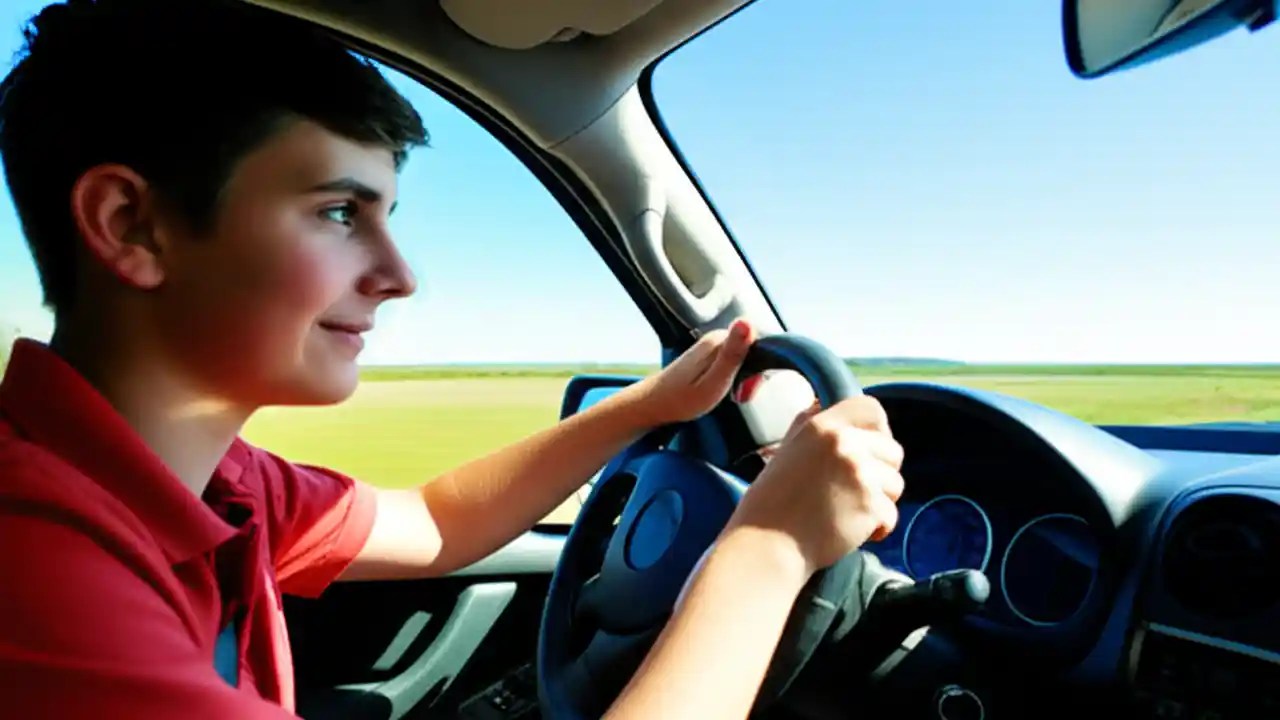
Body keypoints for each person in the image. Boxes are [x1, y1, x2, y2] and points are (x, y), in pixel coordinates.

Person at [0, 1, 904, 718]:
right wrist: (772, 546)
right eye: (340, 213)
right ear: (132, 227)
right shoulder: (38, 573)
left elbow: (435, 524)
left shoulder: (218, 483)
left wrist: (647, 407)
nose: (400, 277)